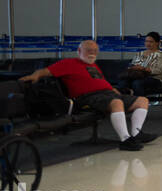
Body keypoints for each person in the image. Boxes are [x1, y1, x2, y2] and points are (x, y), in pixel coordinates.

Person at [21, 40, 154, 151]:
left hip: (107, 94)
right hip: (87, 97)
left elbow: (100, 81)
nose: (92, 53)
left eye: (95, 51)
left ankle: (136, 134)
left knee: (142, 101)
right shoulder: (68, 63)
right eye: (89, 50)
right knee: (116, 103)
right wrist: (35, 75)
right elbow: (46, 71)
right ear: (79, 51)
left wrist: (112, 89)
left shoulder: (93, 66)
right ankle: (125, 140)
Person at [116, 31, 162, 96]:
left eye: (151, 42)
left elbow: (159, 70)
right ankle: (124, 102)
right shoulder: (140, 53)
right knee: (123, 81)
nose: (148, 43)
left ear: (157, 43)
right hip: (138, 76)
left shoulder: (161, 55)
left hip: (155, 79)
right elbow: (133, 65)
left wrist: (144, 69)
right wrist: (133, 67)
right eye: (146, 41)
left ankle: (139, 103)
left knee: (137, 83)